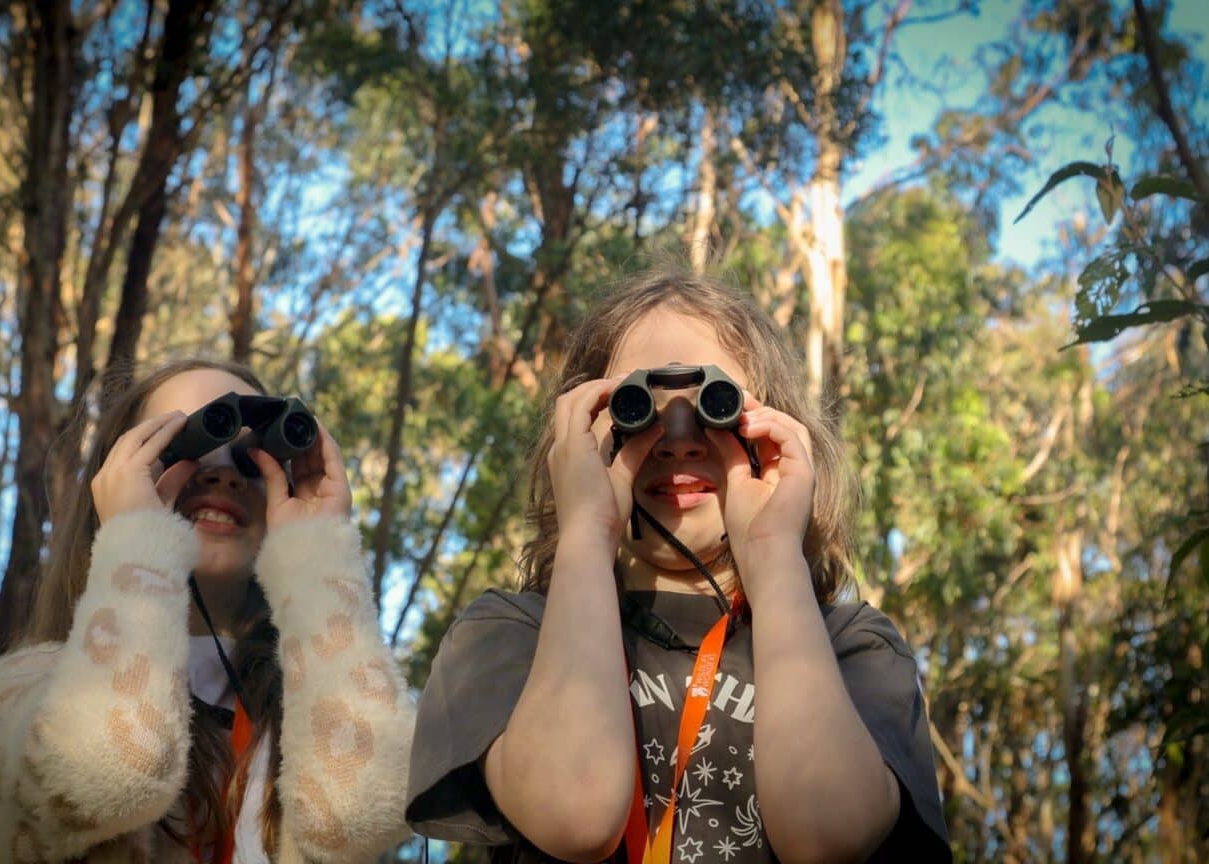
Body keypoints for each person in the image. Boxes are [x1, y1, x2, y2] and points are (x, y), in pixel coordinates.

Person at [406, 261, 951, 862]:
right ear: (579, 433)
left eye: (718, 405)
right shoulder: (508, 638)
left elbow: (827, 836)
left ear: (775, 429)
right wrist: (587, 529)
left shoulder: (853, 648)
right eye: (637, 408)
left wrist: (772, 556)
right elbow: (575, 812)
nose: (680, 439)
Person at [0, 359, 413, 863]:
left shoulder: (303, 714)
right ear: (115, 483)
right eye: (188, 448)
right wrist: (138, 539)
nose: (223, 475)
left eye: (252, 457)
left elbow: (362, 813)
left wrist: (317, 553)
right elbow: (112, 770)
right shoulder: (20, 690)